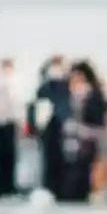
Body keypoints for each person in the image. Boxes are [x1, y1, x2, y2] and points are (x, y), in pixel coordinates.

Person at [59, 61, 107, 202]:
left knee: (86, 164)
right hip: (71, 137)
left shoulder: (95, 95)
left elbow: (98, 120)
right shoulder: (67, 94)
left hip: (90, 135)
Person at [32, 55, 71, 199]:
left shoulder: (66, 86)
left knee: (60, 159)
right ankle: (47, 186)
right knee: (47, 159)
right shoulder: (44, 87)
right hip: (47, 128)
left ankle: (59, 188)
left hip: (61, 128)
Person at [0, 57, 23, 196]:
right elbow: (14, 103)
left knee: (6, 156)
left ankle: (5, 185)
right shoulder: (6, 82)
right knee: (7, 156)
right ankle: (6, 185)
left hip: (3, 122)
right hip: (7, 122)